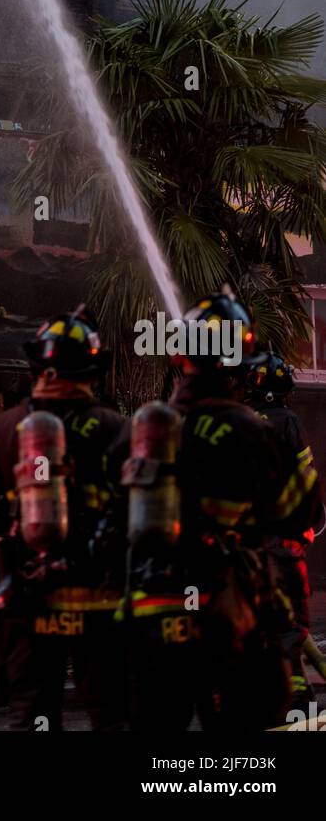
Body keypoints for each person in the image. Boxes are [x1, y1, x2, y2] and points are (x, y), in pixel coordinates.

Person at [121, 290, 321, 732]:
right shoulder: (251, 430)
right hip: (223, 614)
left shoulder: (144, 427)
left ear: (179, 357)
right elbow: (297, 512)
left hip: (151, 612)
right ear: (239, 361)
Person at [0, 309, 127, 731]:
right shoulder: (117, 430)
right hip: (104, 609)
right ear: (93, 370)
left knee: (33, 717)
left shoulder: (4, 428)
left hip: (26, 604)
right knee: (113, 716)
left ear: (36, 366)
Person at [238, 350, 324, 708]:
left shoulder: (240, 421)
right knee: (290, 626)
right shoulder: (288, 422)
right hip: (283, 545)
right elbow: (306, 477)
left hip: (243, 549)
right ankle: (299, 706)